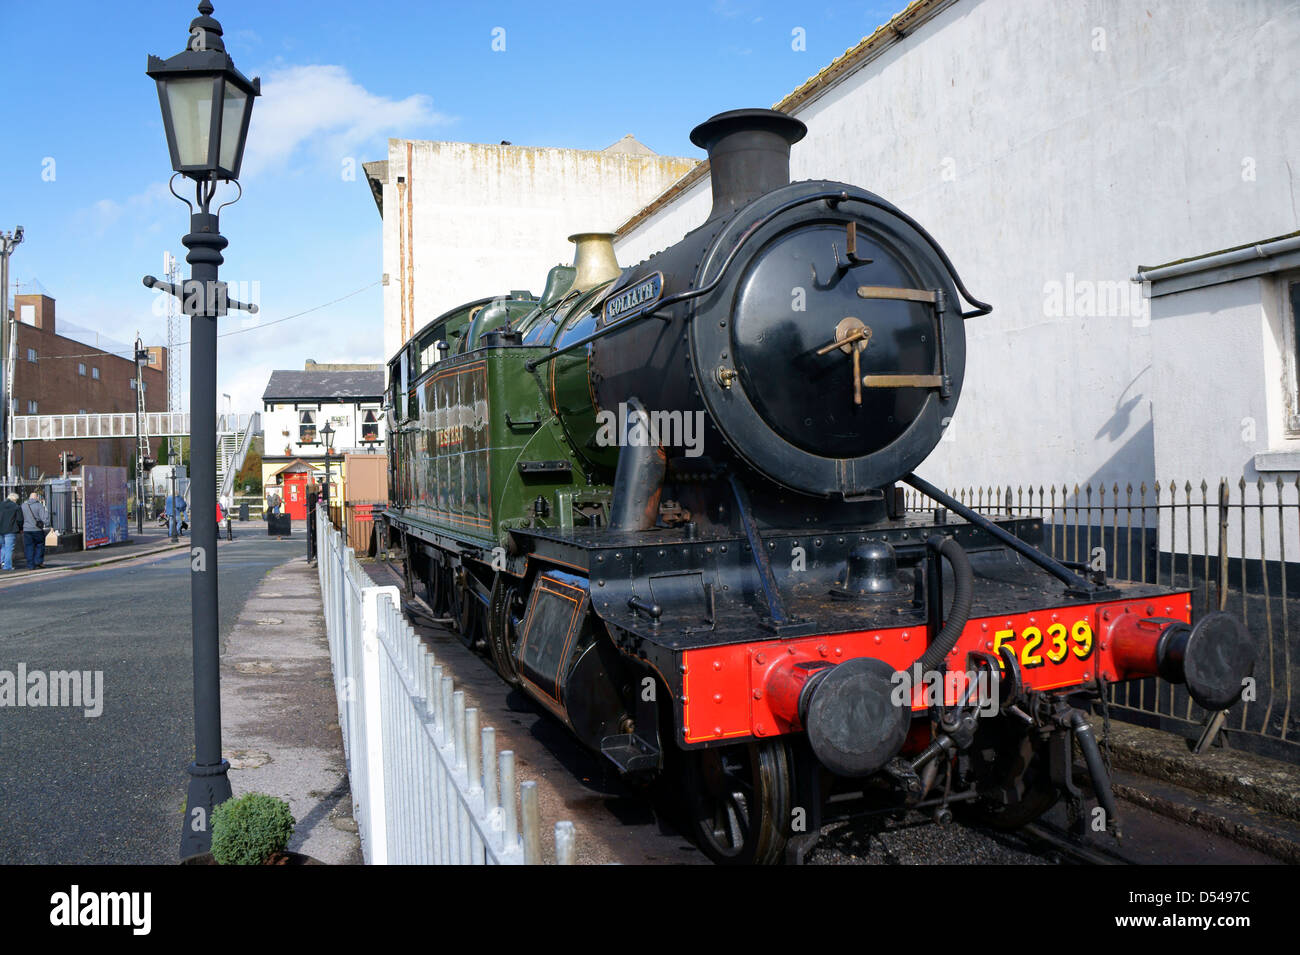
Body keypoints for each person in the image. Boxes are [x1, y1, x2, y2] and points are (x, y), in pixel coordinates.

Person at [21, 490, 50, 570]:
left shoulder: (23, 505)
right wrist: (48, 524)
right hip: (37, 529)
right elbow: (44, 518)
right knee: (40, 545)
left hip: (26, 529)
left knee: (28, 547)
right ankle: (38, 561)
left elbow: (20, 517)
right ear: (36, 497)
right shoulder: (39, 505)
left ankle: (30, 565)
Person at [0, 492, 21, 571]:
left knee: (3, 546)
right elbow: (19, 519)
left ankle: (2, 562)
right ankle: (7, 566)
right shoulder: (16, 507)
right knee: (9, 548)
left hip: (0, 529)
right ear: (15, 499)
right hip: (10, 530)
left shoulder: (1, 505)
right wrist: (20, 528)